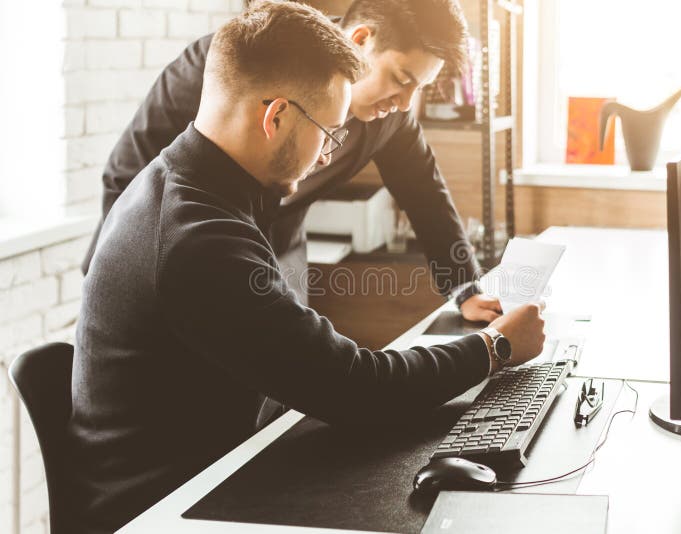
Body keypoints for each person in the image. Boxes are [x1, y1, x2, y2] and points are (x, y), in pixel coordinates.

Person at [68, 3, 546, 532]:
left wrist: (461, 285)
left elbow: (423, 189)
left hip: (219, 412)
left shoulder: (186, 181)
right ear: (274, 117)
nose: (329, 156)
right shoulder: (198, 236)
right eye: (328, 133)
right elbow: (358, 388)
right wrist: (495, 346)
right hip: (171, 502)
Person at [82, 0, 503, 324]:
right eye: (401, 80)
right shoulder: (236, 64)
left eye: (421, 89)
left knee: (289, 392)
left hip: (279, 255)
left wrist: (465, 290)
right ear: (360, 41)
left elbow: (425, 194)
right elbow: (129, 173)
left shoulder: (391, 120)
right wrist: (124, 287)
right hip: (174, 263)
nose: (404, 105)